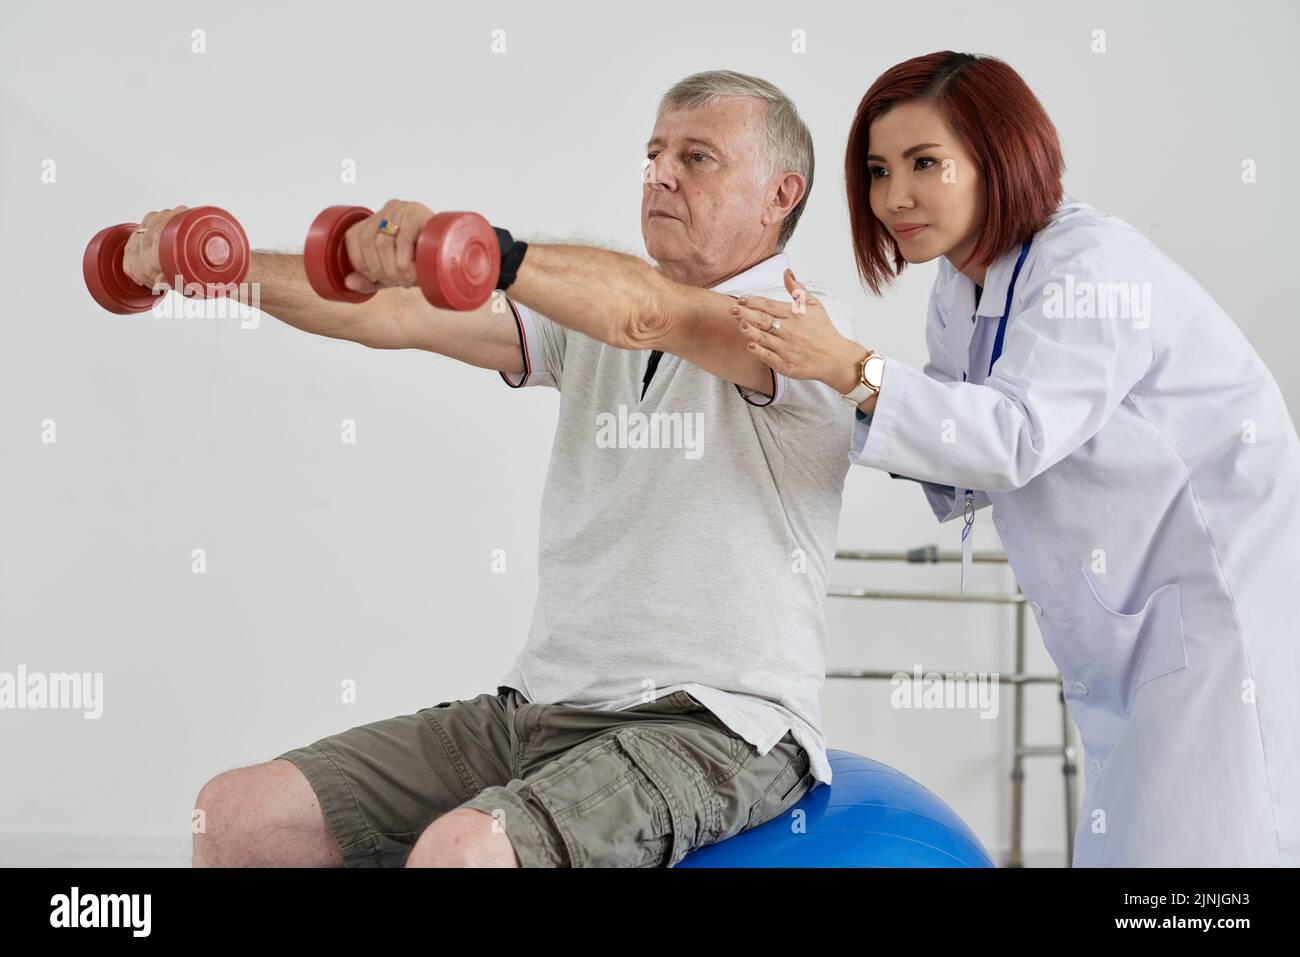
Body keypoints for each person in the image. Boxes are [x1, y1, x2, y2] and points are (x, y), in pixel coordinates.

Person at [166, 71, 858, 868]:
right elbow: (391, 312)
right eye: (654, 152)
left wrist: (488, 251)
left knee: (462, 853)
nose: (661, 173)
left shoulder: (806, 330)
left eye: (697, 157)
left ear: (780, 194)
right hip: (539, 709)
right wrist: (222, 268)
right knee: (236, 816)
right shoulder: (594, 312)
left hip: (717, 726)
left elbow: (648, 312)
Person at [727, 51, 1300, 867]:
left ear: (1000, 154)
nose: (894, 197)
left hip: (1214, 618)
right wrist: (818, 384)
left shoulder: (1092, 267)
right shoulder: (961, 292)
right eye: (879, 170)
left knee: (1199, 870)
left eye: (926, 163)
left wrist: (851, 368)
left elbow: (1015, 437)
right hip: (1128, 634)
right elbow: (963, 472)